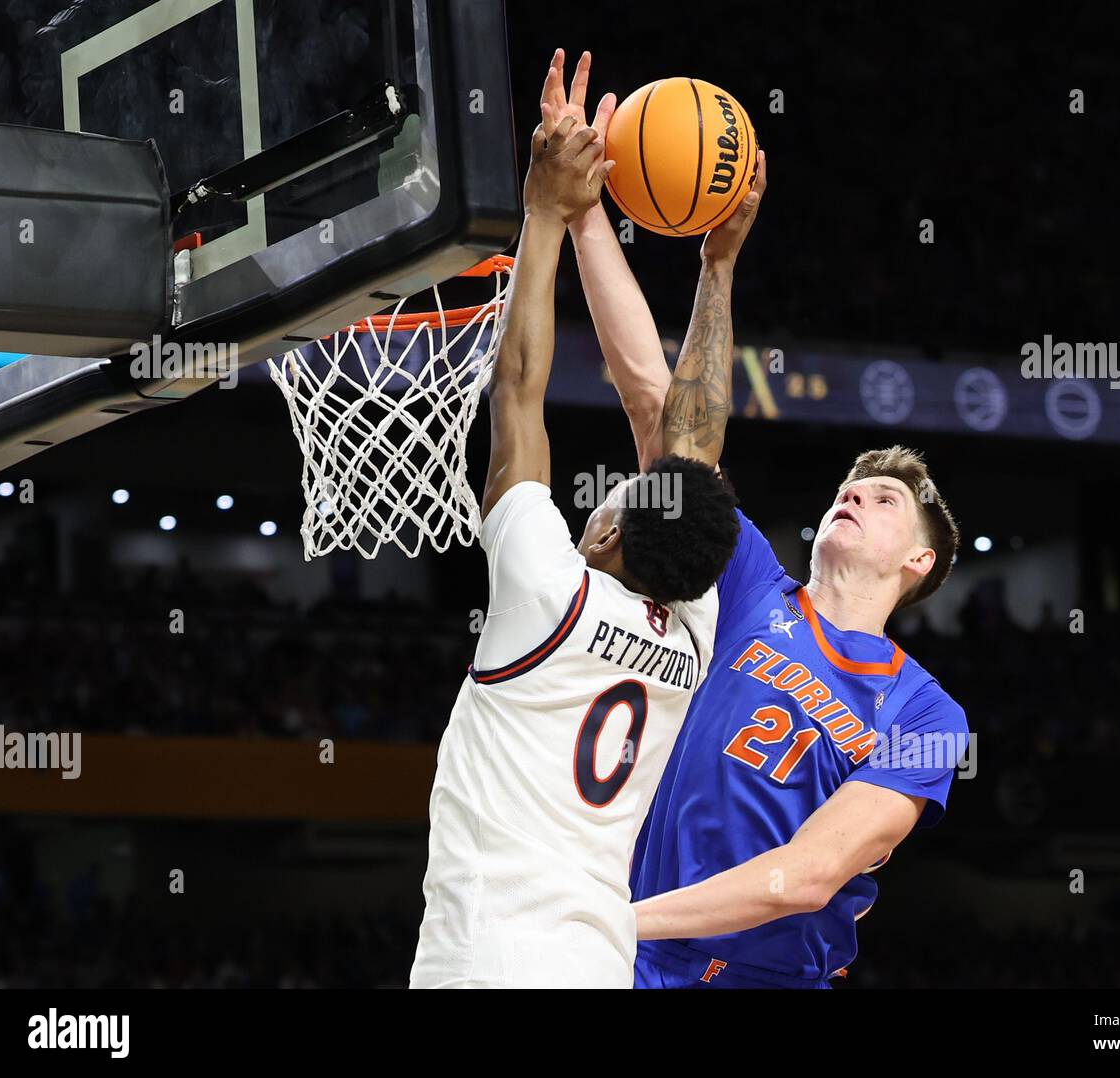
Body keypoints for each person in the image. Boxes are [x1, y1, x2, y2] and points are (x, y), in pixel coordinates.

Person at [554, 50, 970, 990]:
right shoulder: (754, 591)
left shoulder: (925, 714)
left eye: (885, 499)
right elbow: (663, 417)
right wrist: (589, 214)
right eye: (850, 487)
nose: (852, 494)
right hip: (629, 962)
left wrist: (605, 919)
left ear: (918, 561)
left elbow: (806, 875)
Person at [409, 62, 740, 989]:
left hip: (487, 963)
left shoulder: (551, 596)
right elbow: (674, 445)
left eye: (615, 501)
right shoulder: (692, 629)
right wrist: (690, 261)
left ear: (610, 539)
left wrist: (547, 210)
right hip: (595, 964)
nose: (603, 498)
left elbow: (530, 386)